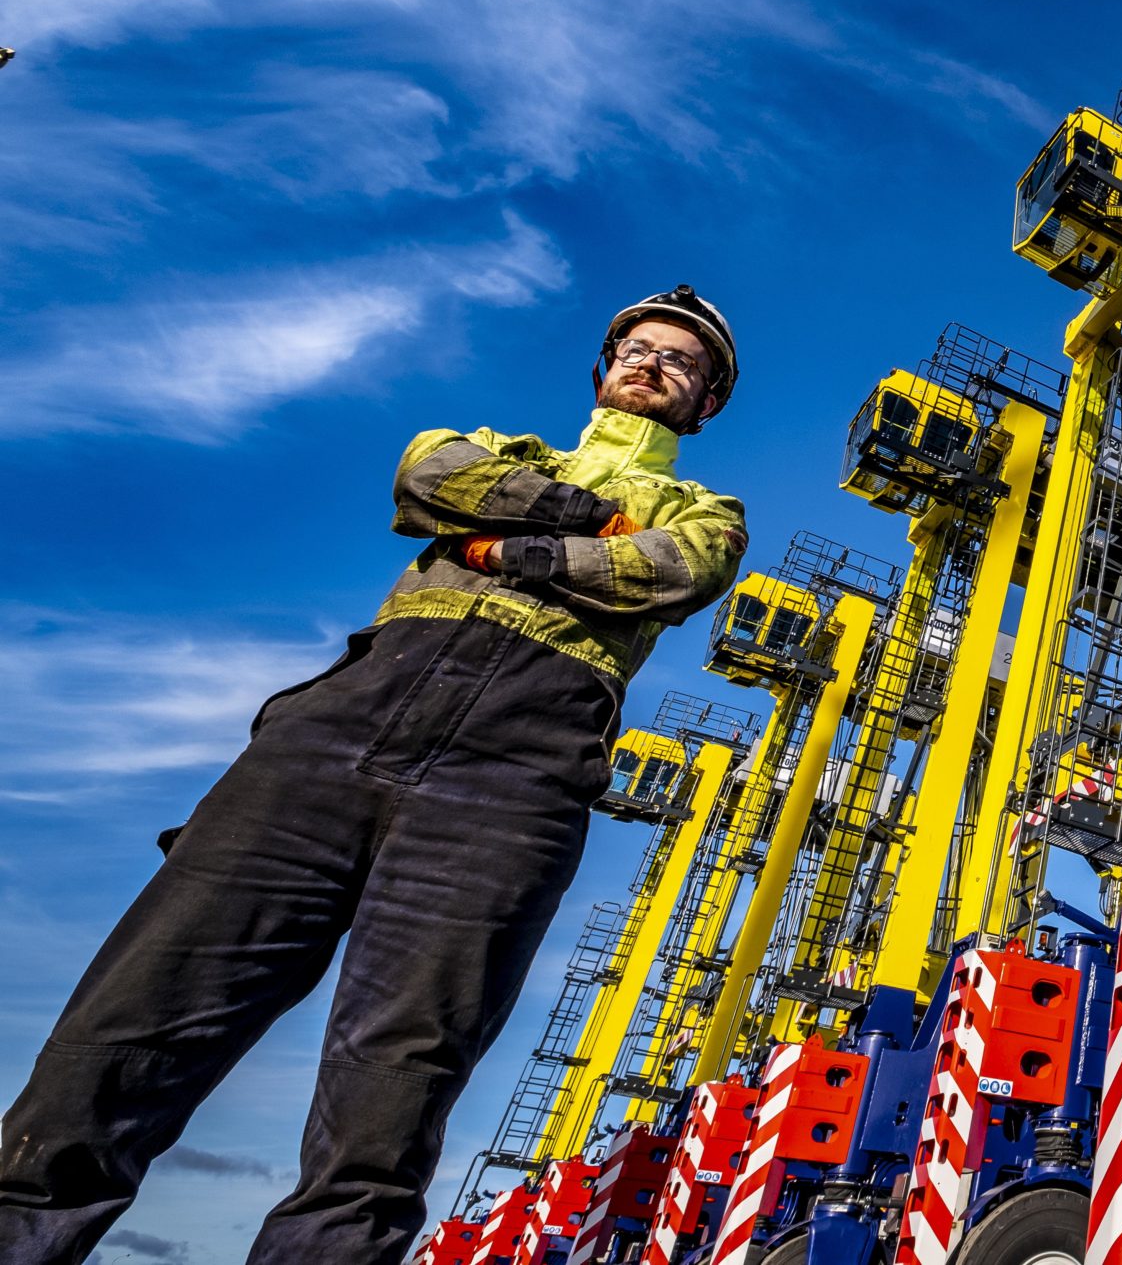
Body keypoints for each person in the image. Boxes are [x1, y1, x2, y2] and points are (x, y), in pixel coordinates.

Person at [0, 286, 750, 1264]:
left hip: (515, 774)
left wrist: (489, 546)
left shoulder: (708, 510)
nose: (654, 365)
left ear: (704, 407)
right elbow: (430, 472)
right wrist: (581, 524)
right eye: (639, 349)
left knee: (388, 1103)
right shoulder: (494, 444)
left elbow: (669, 569)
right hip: (328, 739)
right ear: (605, 366)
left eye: (682, 364)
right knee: (121, 1034)